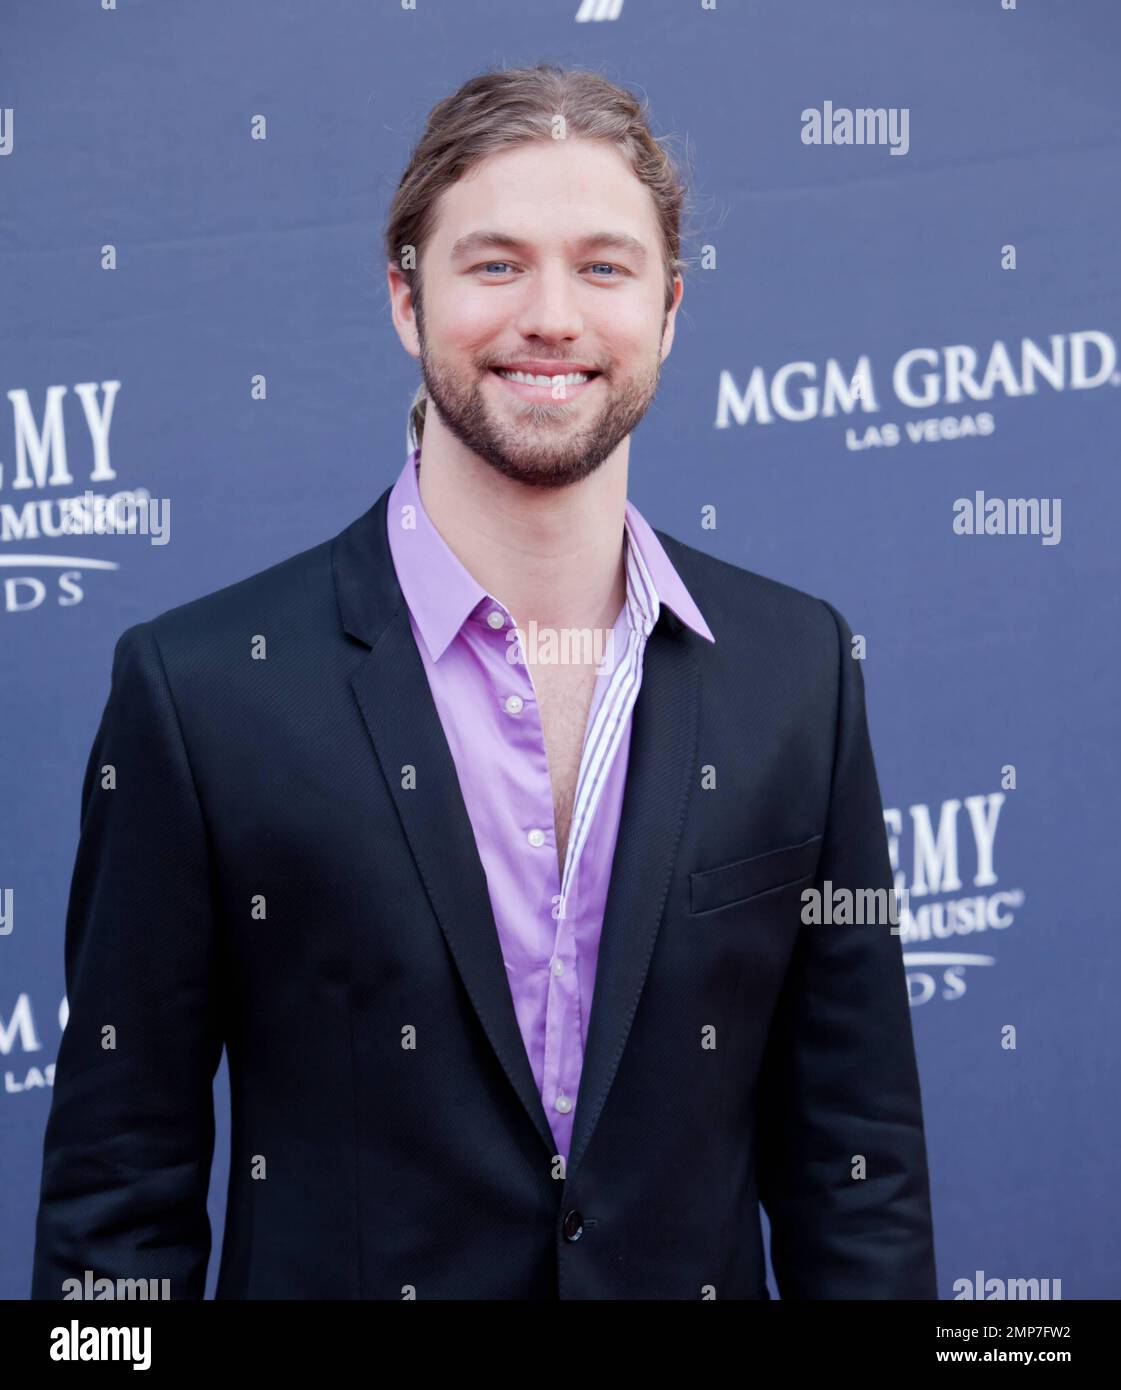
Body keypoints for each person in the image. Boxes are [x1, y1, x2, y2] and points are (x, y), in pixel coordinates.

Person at [32, 63, 936, 1300]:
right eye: (494, 263)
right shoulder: (200, 693)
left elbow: (858, 1171)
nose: (550, 317)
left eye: (603, 267)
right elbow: (113, 1198)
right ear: (406, 299)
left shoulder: (798, 672)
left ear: (669, 310)